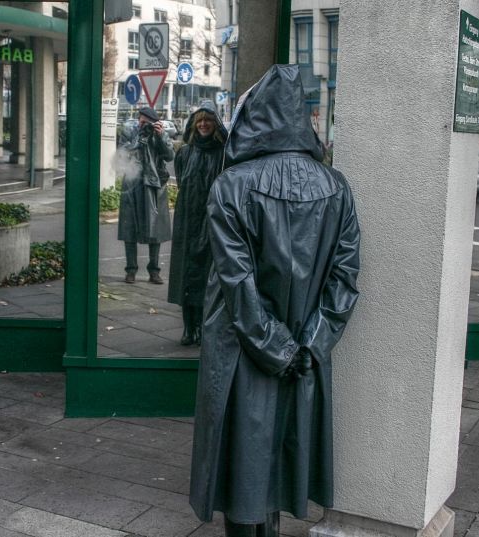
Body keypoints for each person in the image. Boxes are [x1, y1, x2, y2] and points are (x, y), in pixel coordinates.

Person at [189, 65, 360, 536]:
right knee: (282, 456)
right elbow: (344, 279)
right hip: (304, 353)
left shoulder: (230, 186)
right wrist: (309, 345)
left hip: (242, 349)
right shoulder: (337, 187)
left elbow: (236, 281)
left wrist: (275, 346)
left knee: (241, 460)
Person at [167, 100, 227, 346]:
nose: (203, 124)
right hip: (186, 223)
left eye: (208, 120)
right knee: (185, 276)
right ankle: (188, 328)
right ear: (194, 124)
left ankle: (203, 328)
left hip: (211, 222)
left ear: (216, 124)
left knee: (206, 277)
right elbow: (182, 183)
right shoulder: (185, 153)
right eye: (200, 120)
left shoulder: (224, 154)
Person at [117, 107, 174, 284]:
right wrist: (139, 137)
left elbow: (169, 155)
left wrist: (160, 136)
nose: (144, 125)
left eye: (148, 123)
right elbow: (123, 152)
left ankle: (154, 271)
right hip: (132, 183)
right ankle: (131, 270)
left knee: (155, 228)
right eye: (142, 121)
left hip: (155, 184)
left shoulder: (160, 133)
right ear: (138, 119)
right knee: (129, 227)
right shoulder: (129, 131)